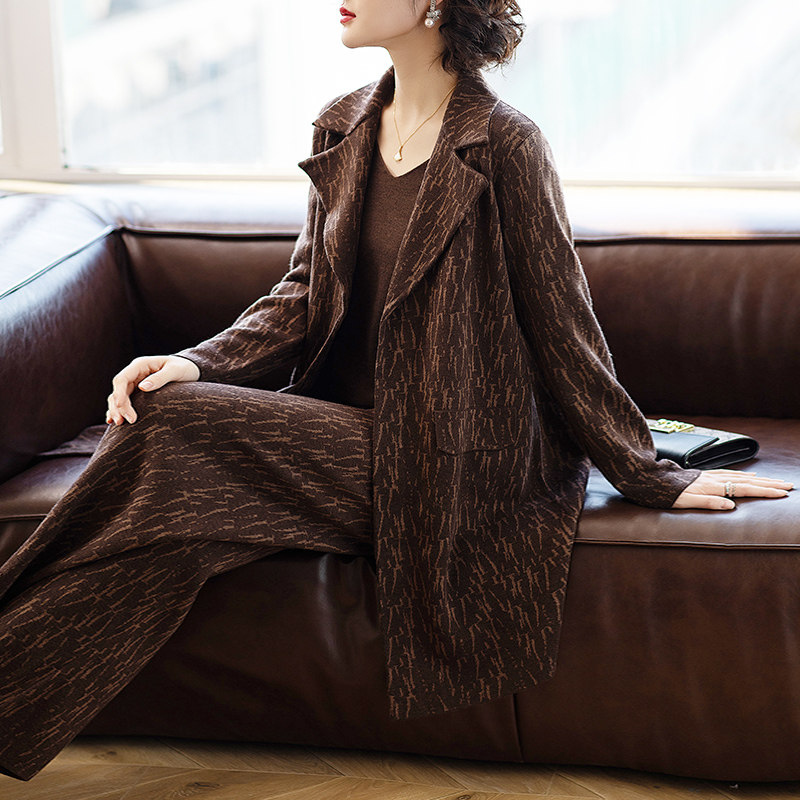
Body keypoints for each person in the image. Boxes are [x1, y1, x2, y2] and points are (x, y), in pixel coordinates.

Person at [0, 0, 792, 782]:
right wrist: (198, 361)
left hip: (458, 456)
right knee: (163, 486)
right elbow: (304, 292)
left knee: (171, 430)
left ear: (433, 4)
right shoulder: (342, 125)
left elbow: (565, 326)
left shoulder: (506, 144)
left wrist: (648, 472)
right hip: (348, 433)